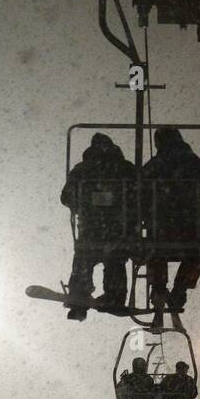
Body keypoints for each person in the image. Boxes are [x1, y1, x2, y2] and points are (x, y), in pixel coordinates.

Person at [62, 132, 136, 320]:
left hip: (90, 227)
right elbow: (140, 194)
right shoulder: (126, 168)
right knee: (115, 262)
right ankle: (115, 297)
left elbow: (66, 197)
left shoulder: (81, 169)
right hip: (119, 228)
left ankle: (79, 297)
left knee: (83, 261)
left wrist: (83, 202)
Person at [142, 128, 200, 330]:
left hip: (160, 223)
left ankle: (159, 290)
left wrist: (144, 214)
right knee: (196, 252)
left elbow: (142, 190)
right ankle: (179, 291)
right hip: (190, 225)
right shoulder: (195, 162)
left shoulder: (155, 164)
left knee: (156, 252)